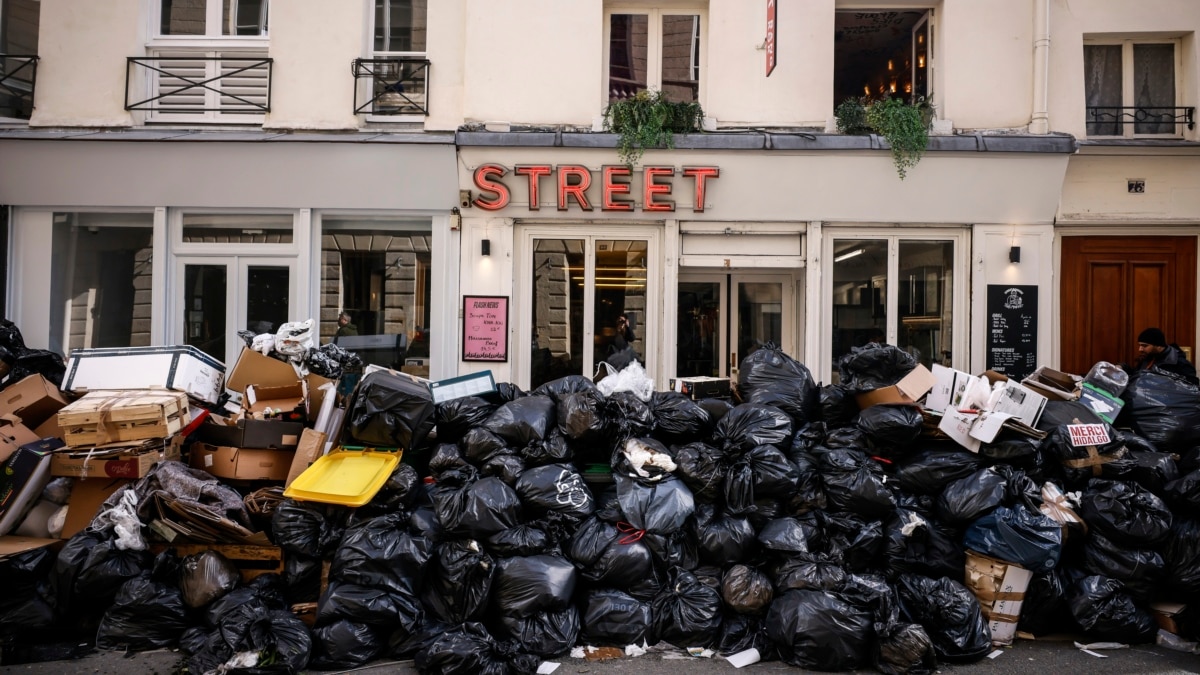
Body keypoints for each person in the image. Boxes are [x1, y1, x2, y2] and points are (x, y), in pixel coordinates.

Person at [1131, 327, 1196, 380]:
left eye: (1144, 346)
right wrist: (1123, 367)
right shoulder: (1148, 357)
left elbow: (1192, 387)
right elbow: (1136, 374)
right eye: (1140, 345)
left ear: (1158, 346)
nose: (1140, 349)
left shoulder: (1179, 362)